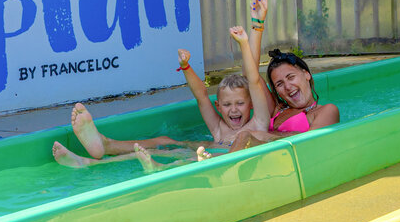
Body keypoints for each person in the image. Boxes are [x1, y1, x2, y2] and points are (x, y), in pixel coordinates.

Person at [52, 24, 273, 169]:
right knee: (164, 142)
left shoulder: (258, 123)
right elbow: (201, 96)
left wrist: (244, 43)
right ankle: (101, 149)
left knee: (185, 157)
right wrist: (186, 67)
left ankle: (101, 162)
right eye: (227, 104)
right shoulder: (218, 128)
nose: (233, 109)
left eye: (240, 103)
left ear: (251, 104)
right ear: (219, 106)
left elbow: (253, 81)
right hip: (204, 152)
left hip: (216, 160)